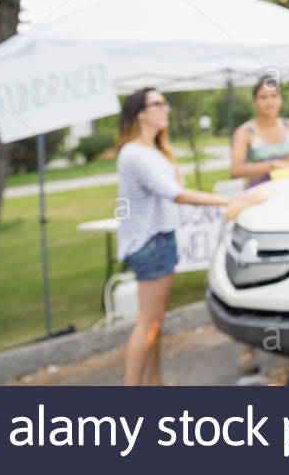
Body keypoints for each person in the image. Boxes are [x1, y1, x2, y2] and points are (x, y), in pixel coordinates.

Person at [116, 87, 265, 386]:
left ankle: (155, 384)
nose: (166, 108)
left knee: (155, 323)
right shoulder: (133, 153)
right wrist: (231, 201)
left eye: (165, 102)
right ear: (140, 113)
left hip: (160, 241)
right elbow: (176, 194)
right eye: (158, 104)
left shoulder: (152, 150)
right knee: (148, 323)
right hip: (150, 244)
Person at [229, 75, 289, 187]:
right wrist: (273, 165)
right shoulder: (244, 132)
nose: (270, 102)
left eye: (274, 96)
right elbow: (235, 171)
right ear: (254, 102)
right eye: (263, 97)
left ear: (281, 99)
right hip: (260, 192)